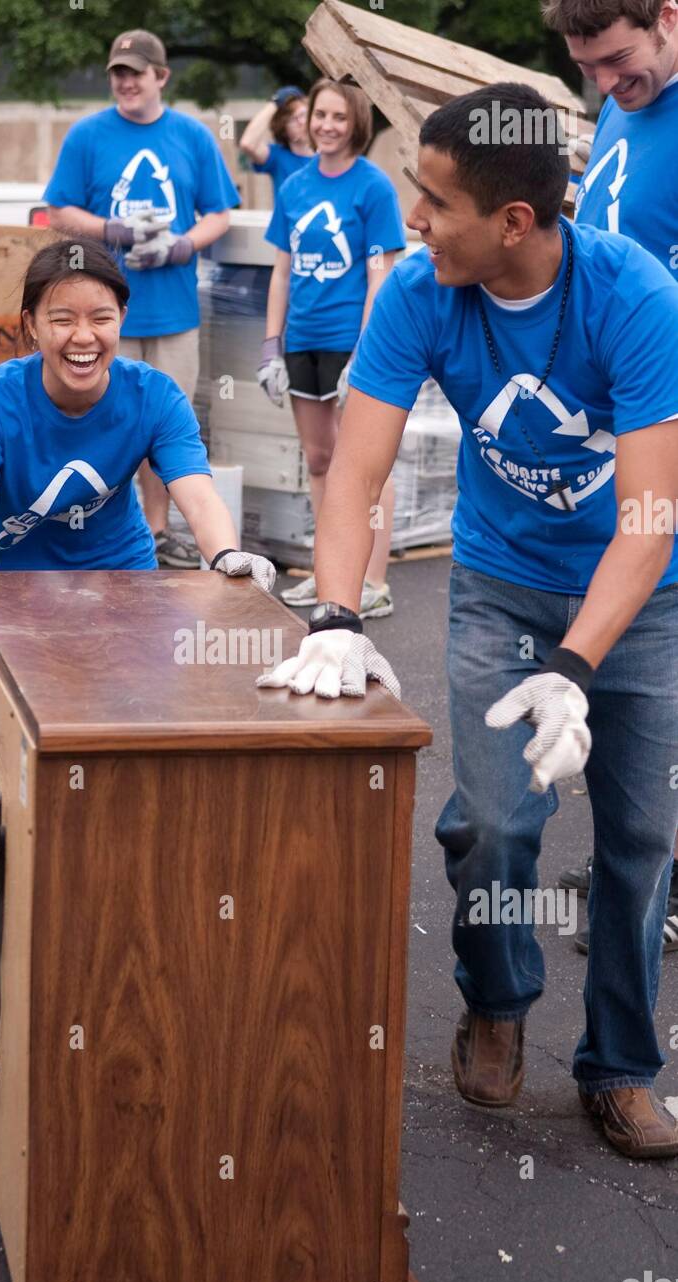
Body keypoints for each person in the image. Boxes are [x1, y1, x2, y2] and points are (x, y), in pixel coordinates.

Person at [259, 83, 678, 1159]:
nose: (412, 219)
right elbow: (354, 471)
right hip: (499, 586)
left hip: (639, 602)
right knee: (494, 824)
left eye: (434, 201)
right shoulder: (417, 292)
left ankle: (622, 1063)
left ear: (515, 223)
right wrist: (338, 613)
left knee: (641, 837)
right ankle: (496, 998)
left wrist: (579, 667)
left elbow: (648, 521)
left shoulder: (635, 298)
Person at [0, 238, 274, 616]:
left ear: (122, 318)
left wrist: (227, 556)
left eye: (101, 318)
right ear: (31, 324)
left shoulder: (155, 397)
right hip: (10, 580)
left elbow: (200, 499)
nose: (83, 336)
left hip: (123, 575)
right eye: (62, 319)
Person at [543, 0, 678, 956]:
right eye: (587, 66)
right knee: (637, 651)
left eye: (620, 60)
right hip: (630, 414)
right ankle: (642, 857)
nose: (605, 82)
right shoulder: (625, 101)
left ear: (668, 17)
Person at [42, 29, 239, 570]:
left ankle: (157, 531)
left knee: (165, 426)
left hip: (174, 309)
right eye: (118, 74)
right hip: (103, 318)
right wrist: (113, 230)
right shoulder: (87, 136)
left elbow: (220, 213)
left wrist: (182, 245)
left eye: (136, 73)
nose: (125, 83)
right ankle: (96, 532)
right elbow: (58, 209)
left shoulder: (193, 137)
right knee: (103, 423)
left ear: (161, 77)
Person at [257, 78, 405, 620]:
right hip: (303, 340)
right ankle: (330, 574)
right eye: (320, 115)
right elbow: (280, 269)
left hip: (351, 341)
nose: (326, 126)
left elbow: (378, 275)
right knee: (320, 461)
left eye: (339, 117)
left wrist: (365, 351)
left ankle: (371, 580)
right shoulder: (295, 186)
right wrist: (272, 344)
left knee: (365, 464)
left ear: (357, 124)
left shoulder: (373, 187)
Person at [237, 86, 314, 199]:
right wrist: (275, 102)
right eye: (293, 119)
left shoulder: (327, 155)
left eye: (304, 114)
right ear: (283, 130)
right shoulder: (278, 156)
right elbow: (247, 143)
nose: (302, 122)